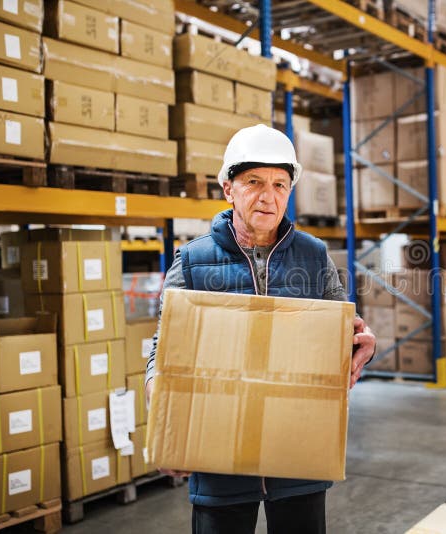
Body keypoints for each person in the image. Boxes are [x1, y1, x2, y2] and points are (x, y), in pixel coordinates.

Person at [144, 124, 377, 534]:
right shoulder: (194, 261)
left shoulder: (314, 256)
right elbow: (163, 353)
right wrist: (166, 423)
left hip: (298, 458)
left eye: (280, 184)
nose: (268, 196)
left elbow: (343, 326)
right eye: (254, 182)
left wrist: (362, 344)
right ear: (228, 188)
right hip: (219, 457)